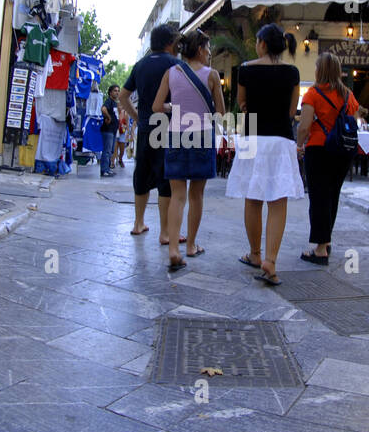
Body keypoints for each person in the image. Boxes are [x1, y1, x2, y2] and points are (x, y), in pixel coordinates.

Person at [227, 23, 303, 285]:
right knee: (278, 200)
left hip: (252, 134)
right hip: (280, 137)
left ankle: (255, 254)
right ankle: (271, 259)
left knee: (252, 197)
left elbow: (242, 104)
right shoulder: (292, 72)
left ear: (261, 43)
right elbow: (292, 112)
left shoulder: (246, 70)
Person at [152, 30, 225, 270]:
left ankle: (173, 249)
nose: (210, 53)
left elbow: (156, 106)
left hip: (175, 135)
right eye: (209, 48)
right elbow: (221, 114)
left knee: (178, 196)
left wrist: (176, 107)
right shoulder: (212, 75)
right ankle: (191, 245)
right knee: (196, 195)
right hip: (202, 135)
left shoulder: (171, 73)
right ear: (202, 49)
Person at [119, 23, 179, 243]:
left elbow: (123, 96)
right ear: (170, 43)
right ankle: (164, 232)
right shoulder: (176, 65)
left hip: (145, 128)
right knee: (165, 178)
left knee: (141, 176)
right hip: (167, 128)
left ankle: (138, 223)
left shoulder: (140, 65)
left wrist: (137, 118)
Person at [296, 52, 357, 264]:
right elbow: (353, 120)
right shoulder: (348, 95)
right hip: (343, 152)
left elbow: (304, 126)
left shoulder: (312, 94)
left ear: (319, 70)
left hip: (319, 149)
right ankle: (326, 241)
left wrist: (299, 145)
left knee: (319, 198)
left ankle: (320, 249)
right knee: (332, 196)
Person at [99, 85, 120, 177]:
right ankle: (104, 170)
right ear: (110, 92)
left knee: (111, 150)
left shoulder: (115, 103)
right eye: (115, 91)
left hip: (113, 130)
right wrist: (108, 117)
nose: (117, 92)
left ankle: (107, 169)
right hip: (108, 130)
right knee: (107, 150)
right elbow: (103, 109)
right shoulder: (109, 101)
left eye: (118, 91)